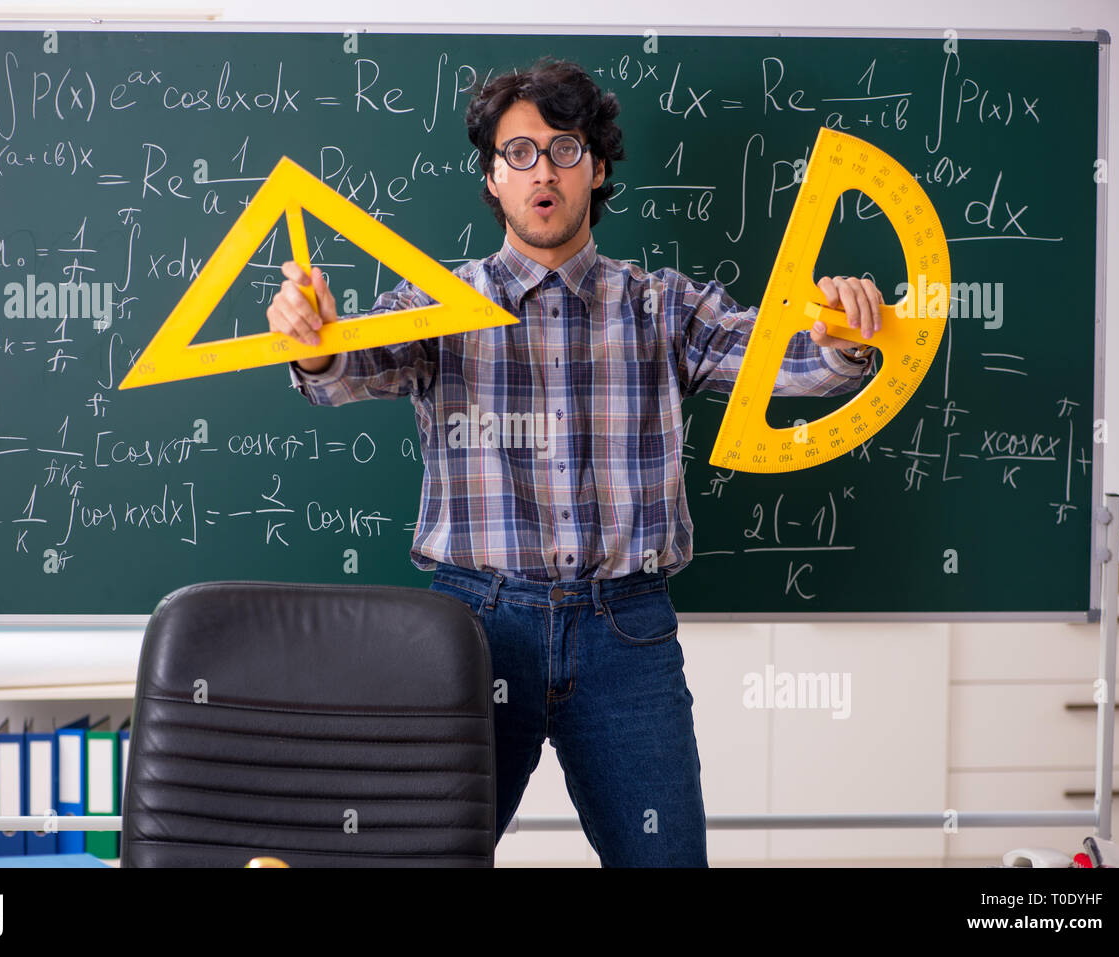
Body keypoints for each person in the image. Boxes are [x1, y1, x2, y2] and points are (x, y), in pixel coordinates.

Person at [268, 57, 881, 867]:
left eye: (563, 148)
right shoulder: (436, 304)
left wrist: (845, 337)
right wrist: (311, 345)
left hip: (626, 635)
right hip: (474, 632)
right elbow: (345, 371)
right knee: (420, 860)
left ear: (596, 168)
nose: (542, 171)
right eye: (518, 154)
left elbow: (783, 358)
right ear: (492, 178)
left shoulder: (663, 306)